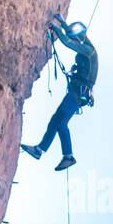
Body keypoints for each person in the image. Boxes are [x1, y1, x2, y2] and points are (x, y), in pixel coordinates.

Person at [21, 14, 97, 171]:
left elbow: (68, 41)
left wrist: (57, 28)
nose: (76, 40)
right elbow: (71, 35)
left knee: (61, 123)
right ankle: (39, 150)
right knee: (55, 121)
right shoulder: (86, 45)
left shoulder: (89, 51)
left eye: (77, 37)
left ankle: (68, 156)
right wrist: (62, 23)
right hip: (75, 94)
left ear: (80, 37)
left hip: (78, 94)